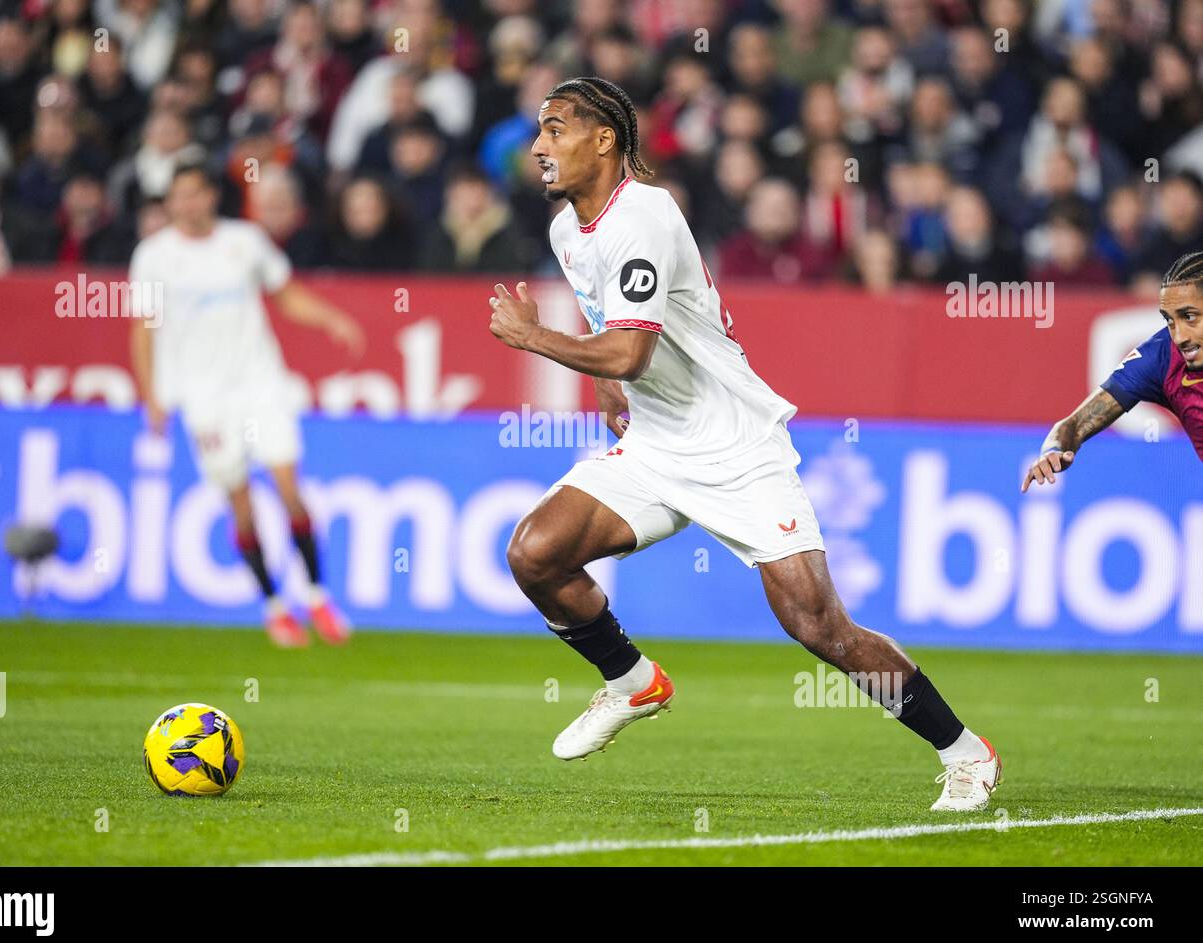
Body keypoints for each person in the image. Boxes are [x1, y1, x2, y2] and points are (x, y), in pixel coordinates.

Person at [488, 76, 1000, 811]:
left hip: (736, 447)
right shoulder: (569, 229)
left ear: (604, 139)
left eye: (556, 128)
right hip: (657, 445)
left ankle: (966, 753)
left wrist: (536, 338)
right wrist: (608, 390)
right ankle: (633, 683)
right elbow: (615, 337)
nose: (539, 145)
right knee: (535, 552)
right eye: (540, 130)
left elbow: (630, 351)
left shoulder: (646, 216)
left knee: (818, 626)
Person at [128, 161, 364, 647]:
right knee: (241, 504)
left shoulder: (245, 241)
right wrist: (152, 396)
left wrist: (330, 320)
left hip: (261, 384)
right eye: (179, 195)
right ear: (170, 202)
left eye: (195, 193)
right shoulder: (153, 256)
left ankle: (317, 595)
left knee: (287, 487)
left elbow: (285, 294)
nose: (188, 203)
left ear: (212, 196)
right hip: (203, 398)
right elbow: (143, 328)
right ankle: (274, 606)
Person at [1022, 251, 1203, 489]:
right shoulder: (1161, 359)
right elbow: (1074, 425)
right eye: (1169, 321)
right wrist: (1053, 450)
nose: (1179, 337)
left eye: (1189, 317)